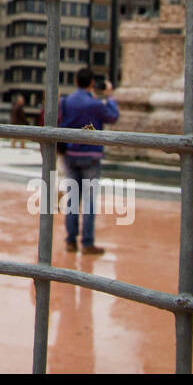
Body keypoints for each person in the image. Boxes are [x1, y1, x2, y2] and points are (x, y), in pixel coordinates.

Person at [58, 68, 119, 254]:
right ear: (92, 83)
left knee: (72, 200)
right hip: (91, 155)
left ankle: (70, 240)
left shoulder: (65, 102)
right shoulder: (96, 104)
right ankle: (87, 243)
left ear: (76, 80)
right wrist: (109, 96)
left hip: (70, 153)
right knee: (89, 201)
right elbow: (113, 117)